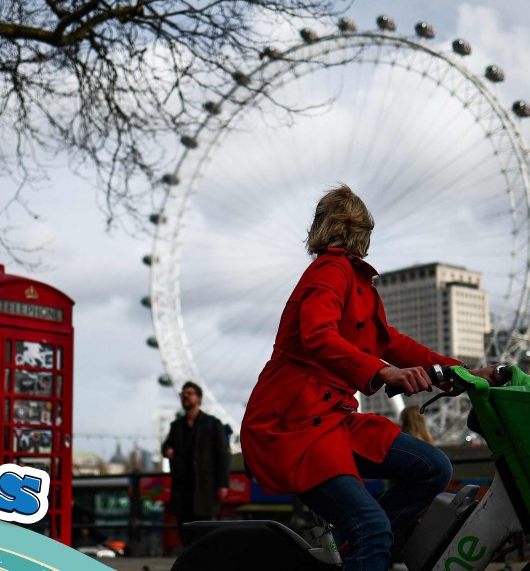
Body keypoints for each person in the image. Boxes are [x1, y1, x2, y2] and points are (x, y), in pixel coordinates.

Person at [240, 184, 502, 571]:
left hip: (330, 419)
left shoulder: (355, 280)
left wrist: (459, 373)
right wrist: (381, 370)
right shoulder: (331, 271)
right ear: (362, 233)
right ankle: (367, 545)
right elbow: (318, 335)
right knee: (372, 527)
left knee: (433, 468)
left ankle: (362, 554)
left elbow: (390, 342)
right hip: (295, 426)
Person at [161, 381, 232, 526]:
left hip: (205, 489)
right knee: (184, 533)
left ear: (198, 398)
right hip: (182, 490)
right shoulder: (176, 426)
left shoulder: (213, 424)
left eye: (189, 393)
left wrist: (223, 484)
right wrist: (168, 450)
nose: (185, 396)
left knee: (204, 533)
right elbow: (166, 446)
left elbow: (222, 456)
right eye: (183, 394)